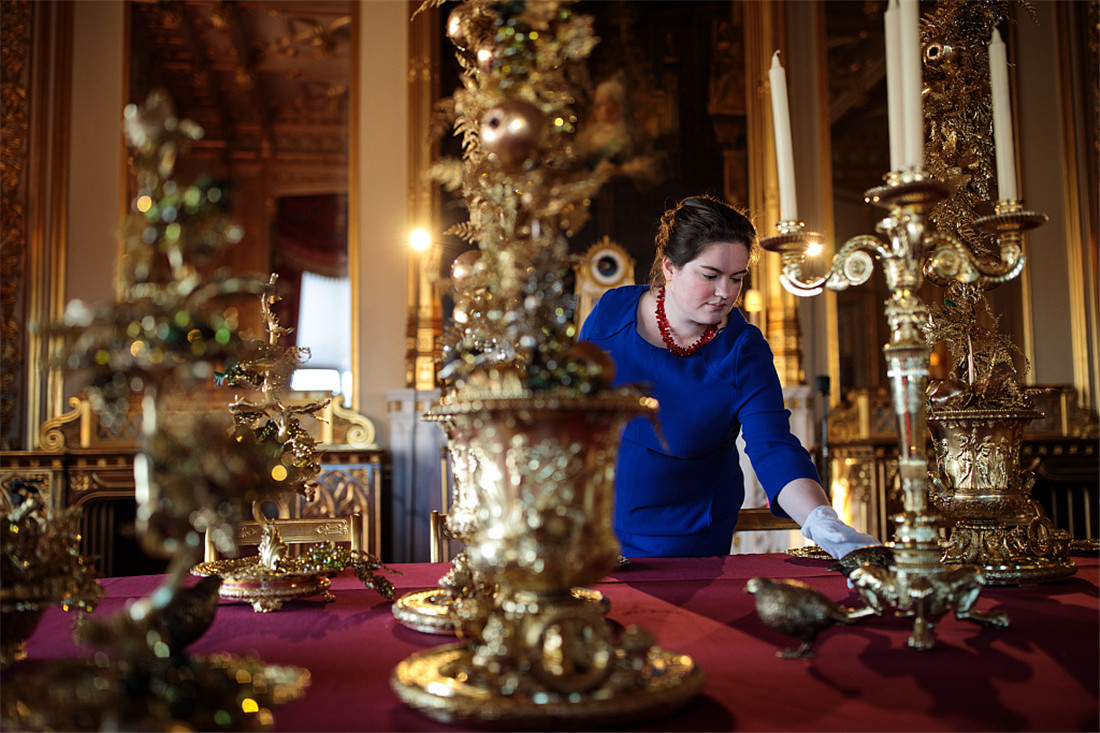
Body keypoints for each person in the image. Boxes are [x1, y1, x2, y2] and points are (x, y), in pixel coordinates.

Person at [578, 195, 879, 559]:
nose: (725, 293)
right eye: (710, 276)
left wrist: (822, 521)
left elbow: (774, 447)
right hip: (594, 536)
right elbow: (576, 415)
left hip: (689, 545)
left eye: (736, 278)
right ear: (670, 268)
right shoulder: (611, 312)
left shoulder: (743, 349)